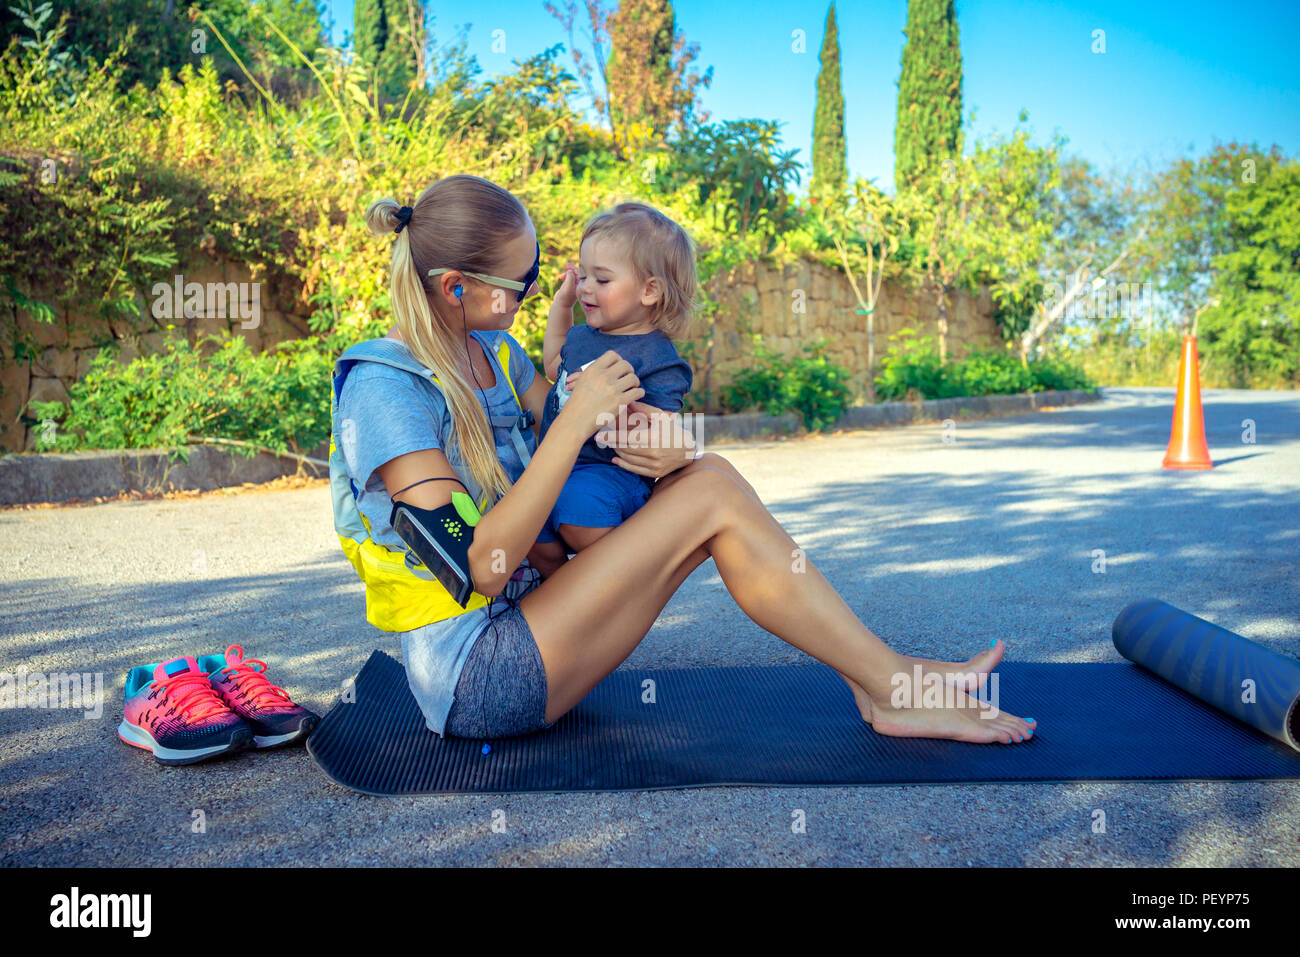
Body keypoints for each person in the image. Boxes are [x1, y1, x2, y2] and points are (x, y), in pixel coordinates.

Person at [334, 173, 1038, 745]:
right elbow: (481, 568)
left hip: (539, 613)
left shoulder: (494, 354)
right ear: (456, 286)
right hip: (479, 676)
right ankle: (889, 685)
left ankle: (877, 676)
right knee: (709, 498)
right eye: (524, 283)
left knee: (709, 476)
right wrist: (577, 421)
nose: (544, 292)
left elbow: (592, 433)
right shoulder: (384, 390)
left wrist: (672, 442)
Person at [526, 201, 696, 579]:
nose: (587, 287)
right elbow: (555, 363)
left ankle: (617, 582)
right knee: (531, 533)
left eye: (601, 280)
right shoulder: (584, 337)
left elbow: (659, 431)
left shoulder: (656, 355)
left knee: (577, 511)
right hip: (557, 465)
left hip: (610, 475)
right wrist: (562, 303)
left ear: (650, 291)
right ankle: (559, 590)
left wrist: (607, 403)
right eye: (583, 275)